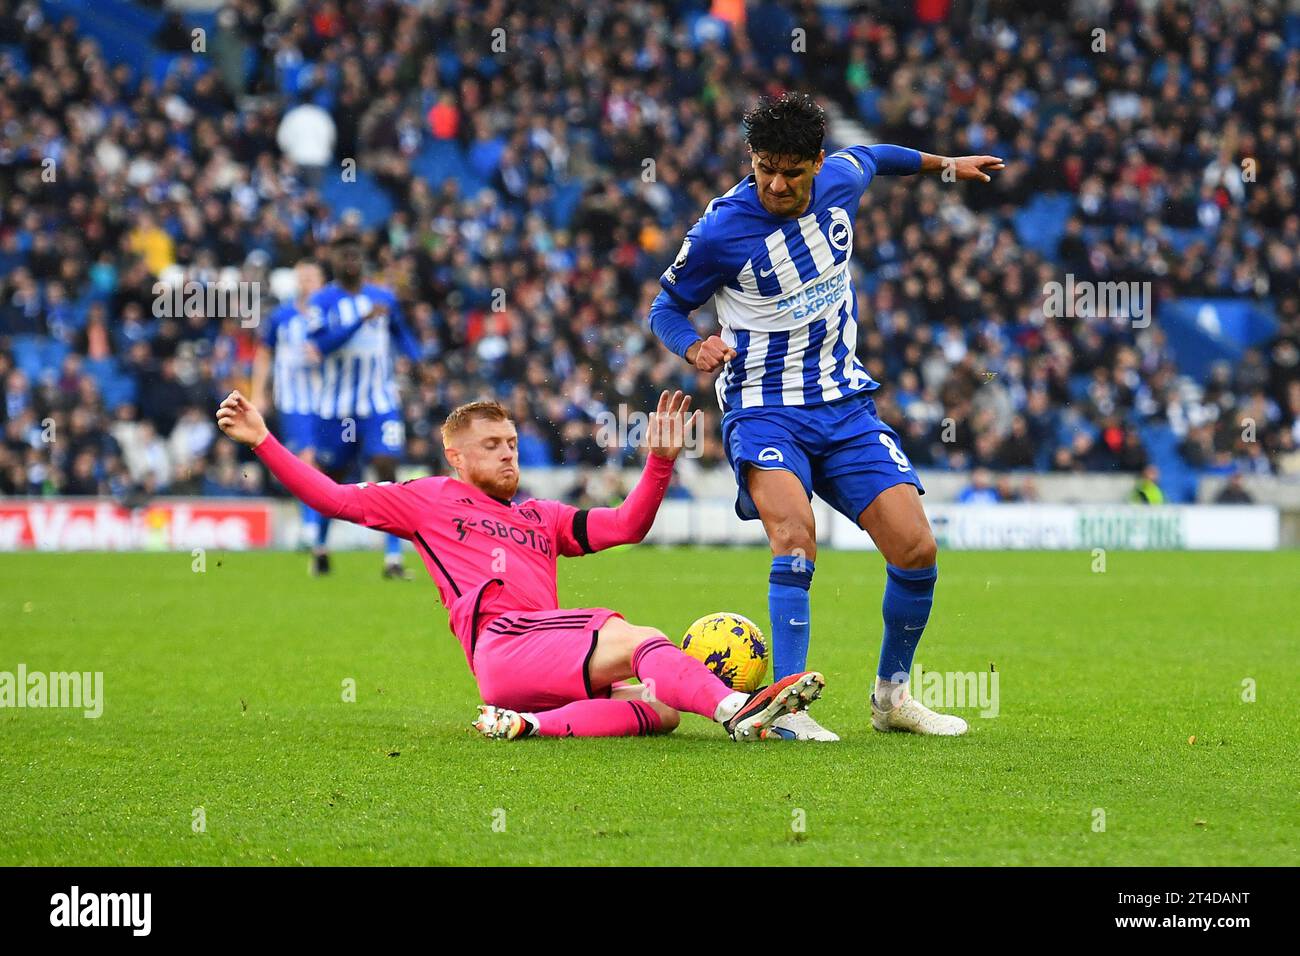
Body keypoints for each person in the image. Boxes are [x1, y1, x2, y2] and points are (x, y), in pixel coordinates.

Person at [648, 92, 1002, 739]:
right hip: (763, 407)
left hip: (843, 403)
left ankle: (892, 699)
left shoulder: (840, 178)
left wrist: (944, 164)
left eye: (791, 170)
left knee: (916, 548)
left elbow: (874, 155)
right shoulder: (722, 230)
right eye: (764, 169)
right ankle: (787, 709)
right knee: (794, 533)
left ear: (816, 162)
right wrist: (694, 345)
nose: (776, 184)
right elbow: (664, 310)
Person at [215, 388, 826, 741]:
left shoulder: (541, 515)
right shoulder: (428, 498)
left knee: (662, 711)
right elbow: (335, 499)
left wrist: (659, 463)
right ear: (455, 456)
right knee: (642, 639)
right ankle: (735, 711)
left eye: (510, 443)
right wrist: (264, 439)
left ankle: (533, 726)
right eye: (491, 446)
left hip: (530, 668)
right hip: (503, 641)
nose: (508, 454)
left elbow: (626, 525)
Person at [305, 233, 421, 578]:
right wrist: (360, 319)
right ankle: (321, 547)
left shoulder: (384, 297)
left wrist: (418, 361)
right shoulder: (322, 301)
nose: (351, 261)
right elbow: (323, 344)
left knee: (386, 467)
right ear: (335, 261)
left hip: (379, 401)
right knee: (333, 480)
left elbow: (401, 333)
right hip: (336, 407)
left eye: (356, 256)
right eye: (345, 256)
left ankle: (393, 558)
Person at [251, 259, 325, 551]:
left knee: (324, 466)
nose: (307, 282)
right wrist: (259, 392)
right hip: (294, 401)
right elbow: (264, 354)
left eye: (312, 277)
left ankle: (318, 531)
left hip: (328, 402)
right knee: (306, 460)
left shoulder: (330, 315)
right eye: (302, 277)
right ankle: (309, 528)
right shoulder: (282, 317)